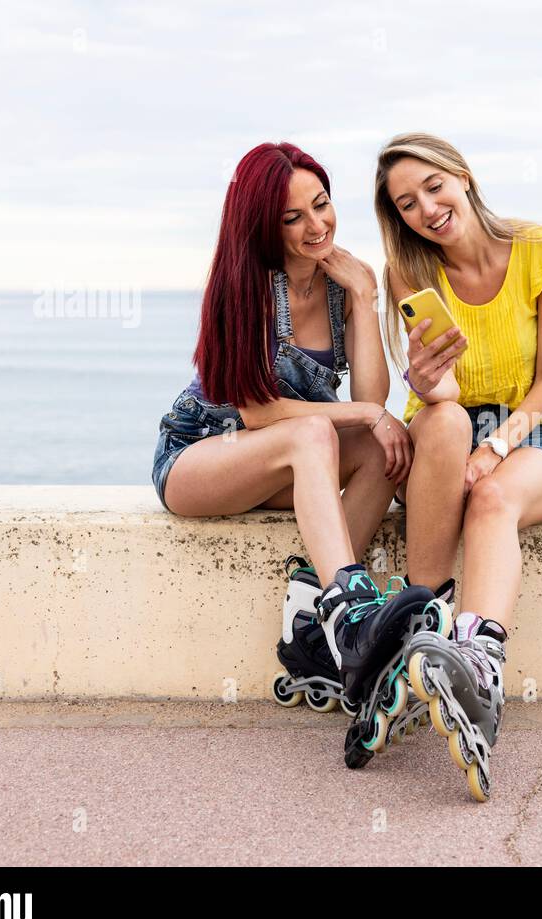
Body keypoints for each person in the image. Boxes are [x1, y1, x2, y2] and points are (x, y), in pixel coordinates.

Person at [150, 141, 416, 713]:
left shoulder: (348, 283)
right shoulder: (243, 287)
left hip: (287, 463)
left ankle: (309, 622)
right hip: (201, 457)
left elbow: (372, 401)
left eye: (321, 204)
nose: (316, 225)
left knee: (386, 448)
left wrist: (366, 298)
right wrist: (366, 414)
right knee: (320, 431)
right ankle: (349, 611)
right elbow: (258, 413)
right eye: (293, 218)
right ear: (264, 227)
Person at [372, 132, 542, 800]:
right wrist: (429, 381)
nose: (426, 209)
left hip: (527, 431)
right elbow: (446, 400)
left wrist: (498, 445)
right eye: (406, 204)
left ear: (463, 176)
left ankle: (478, 670)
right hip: (441, 426)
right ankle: (417, 645)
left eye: (433, 187)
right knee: (452, 425)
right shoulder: (409, 272)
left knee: (494, 501)